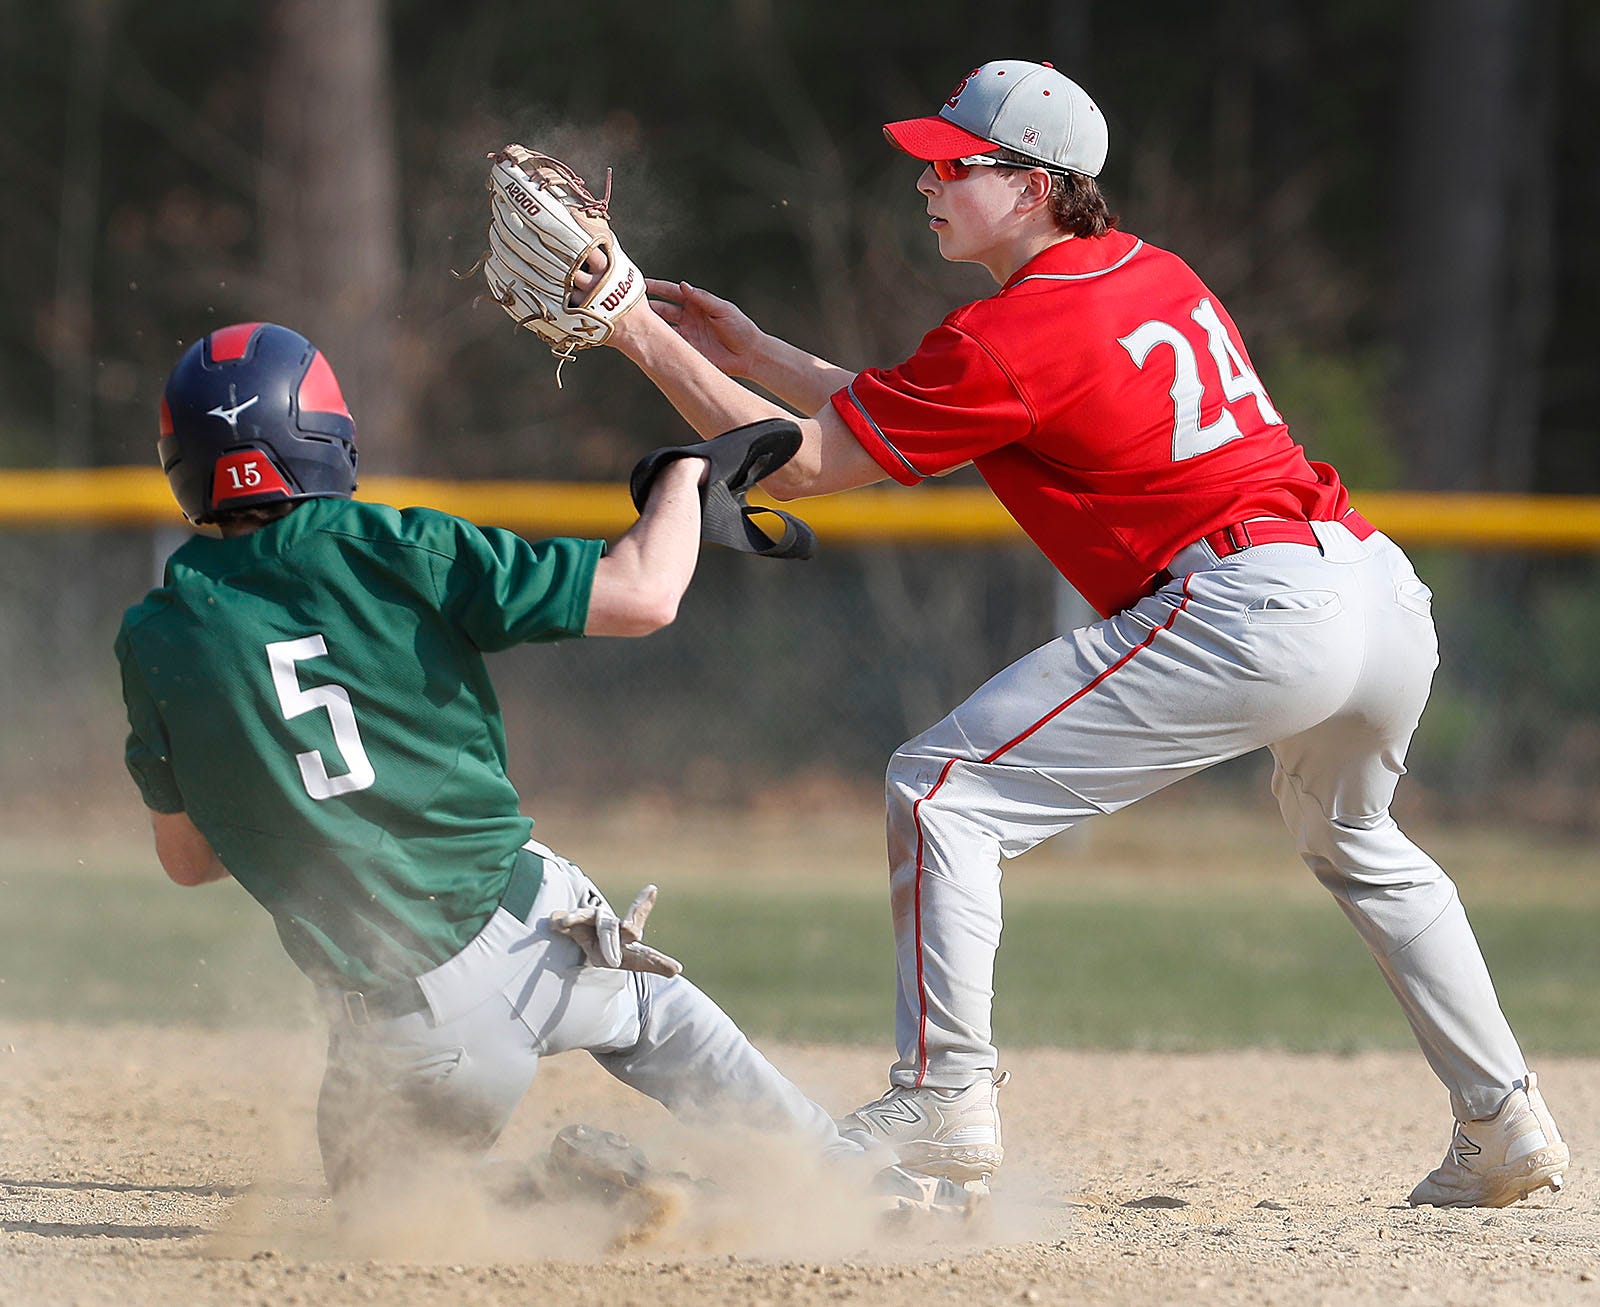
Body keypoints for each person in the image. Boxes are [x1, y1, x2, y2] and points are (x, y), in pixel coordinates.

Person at [599, 59, 1569, 1208]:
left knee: (942, 787)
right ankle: (1504, 1116)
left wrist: (631, 331)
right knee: (1361, 842)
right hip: (1370, 590)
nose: (926, 181)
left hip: (1253, 605)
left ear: (1036, 188)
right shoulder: (1146, 271)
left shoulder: (1013, 329)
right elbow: (940, 405)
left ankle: (944, 1092)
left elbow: (807, 463)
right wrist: (756, 356)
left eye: (953, 164)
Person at [114, 320, 973, 1216]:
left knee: (396, 1217)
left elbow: (189, 861)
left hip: (413, 1035)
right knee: (653, 1015)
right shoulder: (394, 545)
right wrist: (685, 475)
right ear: (325, 432)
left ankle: (570, 1200)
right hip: (542, 933)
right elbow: (642, 594)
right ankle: (861, 1188)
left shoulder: (158, 636)